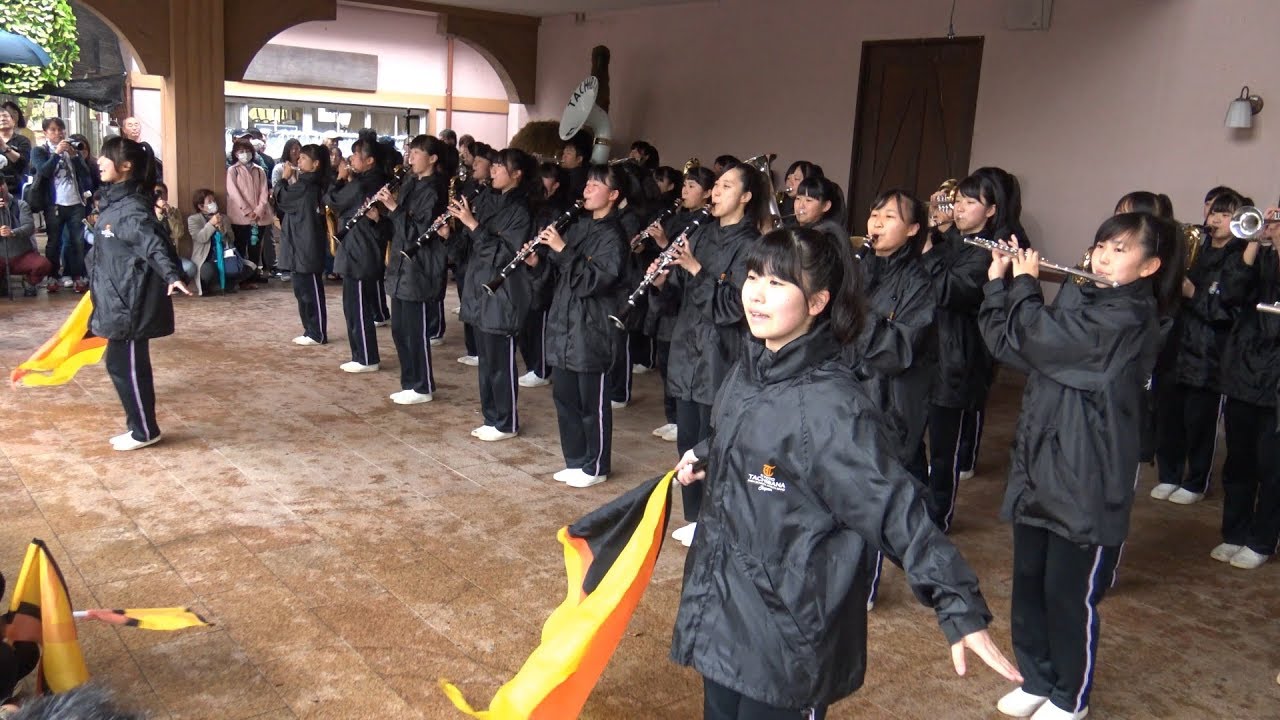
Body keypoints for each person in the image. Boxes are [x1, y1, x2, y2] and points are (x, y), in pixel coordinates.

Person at [670, 226, 1021, 720]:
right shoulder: (750, 366)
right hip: (725, 605)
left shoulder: (831, 407)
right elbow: (753, 437)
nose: (756, 294)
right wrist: (708, 455)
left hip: (787, 624)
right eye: (752, 277)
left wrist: (956, 602)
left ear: (817, 302)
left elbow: (892, 505)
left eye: (777, 283)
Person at [979, 212, 1182, 720]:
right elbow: (1013, 344)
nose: (1103, 256)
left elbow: (1046, 338)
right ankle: (1037, 677)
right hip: (1038, 461)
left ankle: (1071, 697)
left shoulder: (1131, 317)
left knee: (1067, 593)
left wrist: (1026, 285)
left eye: (1121, 249)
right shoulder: (1078, 294)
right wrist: (998, 286)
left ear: (1150, 266)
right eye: (1101, 245)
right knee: (1028, 580)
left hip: (1087, 473)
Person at [647, 161, 764, 546]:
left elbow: (737, 306)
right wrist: (663, 278)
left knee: (715, 442)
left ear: (746, 197)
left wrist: (696, 269)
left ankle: (715, 517)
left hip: (722, 354)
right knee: (688, 439)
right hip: (687, 348)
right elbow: (680, 292)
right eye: (716, 186)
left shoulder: (752, 246)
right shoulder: (700, 232)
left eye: (727, 186)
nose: (715, 192)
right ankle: (695, 515)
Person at [89, 136, 192, 451]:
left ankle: (145, 430)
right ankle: (140, 426)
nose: (99, 161)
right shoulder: (116, 204)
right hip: (117, 296)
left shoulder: (131, 210)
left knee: (127, 366)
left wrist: (172, 274)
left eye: (106, 157)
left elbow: (154, 245)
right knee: (120, 365)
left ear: (125, 166)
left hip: (129, 302)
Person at [1152, 189, 1246, 504]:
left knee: (1199, 423)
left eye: (1225, 213)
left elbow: (1232, 311)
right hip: (1176, 346)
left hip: (1210, 355)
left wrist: (1195, 294)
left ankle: (1195, 482)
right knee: (1169, 416)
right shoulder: (1195, 248)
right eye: (1212, 211)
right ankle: (1169, 474)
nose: (1215, 219)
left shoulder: (1240, 258)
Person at [537, 164, 626, 487]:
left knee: (593, 404)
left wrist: (562, 249)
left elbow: (594, 281)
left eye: (595, 185)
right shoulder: (580, 226)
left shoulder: (614, 237)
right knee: (565, 397)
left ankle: (597, 466)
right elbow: (561, 273)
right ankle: (575, 460)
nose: (587, 190)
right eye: (586, 184)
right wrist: (539, 258)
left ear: (613, 195)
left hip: (592, 328)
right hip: (565, 324)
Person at [445, 148, 536, 441]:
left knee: (500, 362)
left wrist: (473, 224)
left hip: (504, 290)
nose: (493, 171)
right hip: (479, 286)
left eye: (500, 167)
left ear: (517, 174)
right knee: (486, 361)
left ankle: (506, 421)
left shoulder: (521, 210)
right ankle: (491, 416)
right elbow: (470, 245)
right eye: (493, 166)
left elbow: (506, 254)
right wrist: (453, 232)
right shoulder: (486, 198)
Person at [919, 178, 993, 533]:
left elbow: (948, 291)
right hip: (922, 353)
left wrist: (928, 249)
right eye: (957, 202)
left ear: (991, 210)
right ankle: (915, 504)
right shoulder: (947, 240)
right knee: (910, 437)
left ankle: (939, 515)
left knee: (944, 449)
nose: (959, 209)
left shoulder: (986, 252)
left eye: (970, 203)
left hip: (955, 358)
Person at [1213, 203, 1280, 569]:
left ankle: (1263, 539)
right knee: (1239, 463)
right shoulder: (1256, 258)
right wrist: (1254, 241)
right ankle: (1234, 532)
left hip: (1275, 383)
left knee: (1272, 467)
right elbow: (1230, 293)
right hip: (1242, 373)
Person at [645, 164, 715, 444]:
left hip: (688, 300)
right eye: (684, 185)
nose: (685, 191)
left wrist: (663, 243)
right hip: (673, 294)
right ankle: (672, 415)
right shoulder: (680, 216)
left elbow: (683, 259)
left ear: (708, 193)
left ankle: (676, 418)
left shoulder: (703, 224)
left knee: (679, 362)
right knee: (668, 361)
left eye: (692, 187)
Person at [376, 134, 448, 403]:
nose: (411, 157)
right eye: (410, 152)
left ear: (432, 158)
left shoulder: (434, 189)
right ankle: (409, 383)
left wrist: (393, 208)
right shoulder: (409, 181)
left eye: (417, 153)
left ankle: (422, 386)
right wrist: (380, 214)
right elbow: (399, 225)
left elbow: (421, 232)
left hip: (419, 266)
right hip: (400, 265)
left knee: (414, 331)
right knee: (399, 329)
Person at [327, 137, 390, 373]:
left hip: (360, 249)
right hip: (359, 247)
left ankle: (366, 357)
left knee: (358, 307)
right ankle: (360, 355)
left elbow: (335, 201)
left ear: (369, 160)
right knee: (353, 304)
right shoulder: (369, 180)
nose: (351, 159)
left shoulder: (365, 183)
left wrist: (340, 178)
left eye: (355, 155)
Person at [518, 162, 570, 389]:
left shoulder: (559, 211)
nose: (540, 183)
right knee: (527, 320)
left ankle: (541, 369)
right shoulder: (533, 205)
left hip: (548, 269)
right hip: (531, 267)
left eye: (546, 179)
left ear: (556, 185)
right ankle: (533, 366)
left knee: (540, 320)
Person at [274, 144, 332, 346]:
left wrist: (282, 179)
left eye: (304, 158)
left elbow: (282, 198)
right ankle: (310, 330)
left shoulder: (307, 184)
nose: (299, 161)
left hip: (306, 242)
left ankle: (317, 332)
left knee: (310, 289)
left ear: (315, 164)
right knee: (302, 289)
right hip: (301, 241)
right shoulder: (307, 183)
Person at [29, 117, 93, 292]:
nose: (58, 133)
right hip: (54, 203)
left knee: (77, 241)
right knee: (54, 242)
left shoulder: (72, 150)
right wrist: (56, 154)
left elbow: (85, 173)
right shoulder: (39, 151)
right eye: (53, 130)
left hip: (76, 202)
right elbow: (44, 171)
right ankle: (52, 276)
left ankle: (77, 275)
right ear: (45, 133)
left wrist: (75, 157)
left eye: (61, 130)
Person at [226, 137, 276, 286]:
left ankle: (253, 274)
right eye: (241, 151)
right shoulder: (232, 170)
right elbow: (233, 193)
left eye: (247, 151)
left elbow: (264, 191)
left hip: (259, 217)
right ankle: (241, 278)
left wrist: (259, 209)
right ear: (235, 154)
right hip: (240, 216)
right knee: (241, 247)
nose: (244, 154)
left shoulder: (259, 170)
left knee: (255, 247)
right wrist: (247, 210)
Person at [187, 188, 251, 295]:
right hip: (207, 258)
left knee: (246, 268)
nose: (213, 204)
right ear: (201, 206)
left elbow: (231, 239)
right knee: (208, 270)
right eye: (210, 202)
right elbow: (200, 238)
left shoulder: (224, 218)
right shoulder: (194, 219)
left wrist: (222, 230)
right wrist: (211, 224)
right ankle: (211, 286)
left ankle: (224, 283)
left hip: (225, 256)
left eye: (214, 201)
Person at [0, 184, 52, 297]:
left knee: (43, 264)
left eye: (2, 184)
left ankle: (29, 282)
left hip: (21, 255)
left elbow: (29, 227)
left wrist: (13, 232)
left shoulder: (20, 204)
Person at [153, 182, 192, 281]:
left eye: (162, 193)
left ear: (166, 195)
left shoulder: (174, 212)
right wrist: (159, 214)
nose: (160, 197)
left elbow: (178, 234)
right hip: (155, 255)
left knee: (190, 268)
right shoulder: (147, 212)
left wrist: (169, 214)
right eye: (156, 193)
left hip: (172, 255)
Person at [790, 176, 846, 241]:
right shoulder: (794, 228)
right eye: (798, 198)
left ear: (826, 206)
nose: (800, 205)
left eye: (808, 200)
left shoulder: (826, 236)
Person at [0, 106, 31, 198]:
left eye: (5, 116)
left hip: (16, 190)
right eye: (0, 117)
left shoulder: (23, 140)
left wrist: (4, 146)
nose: (2, 119)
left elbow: (22, 162)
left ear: (13, 122)